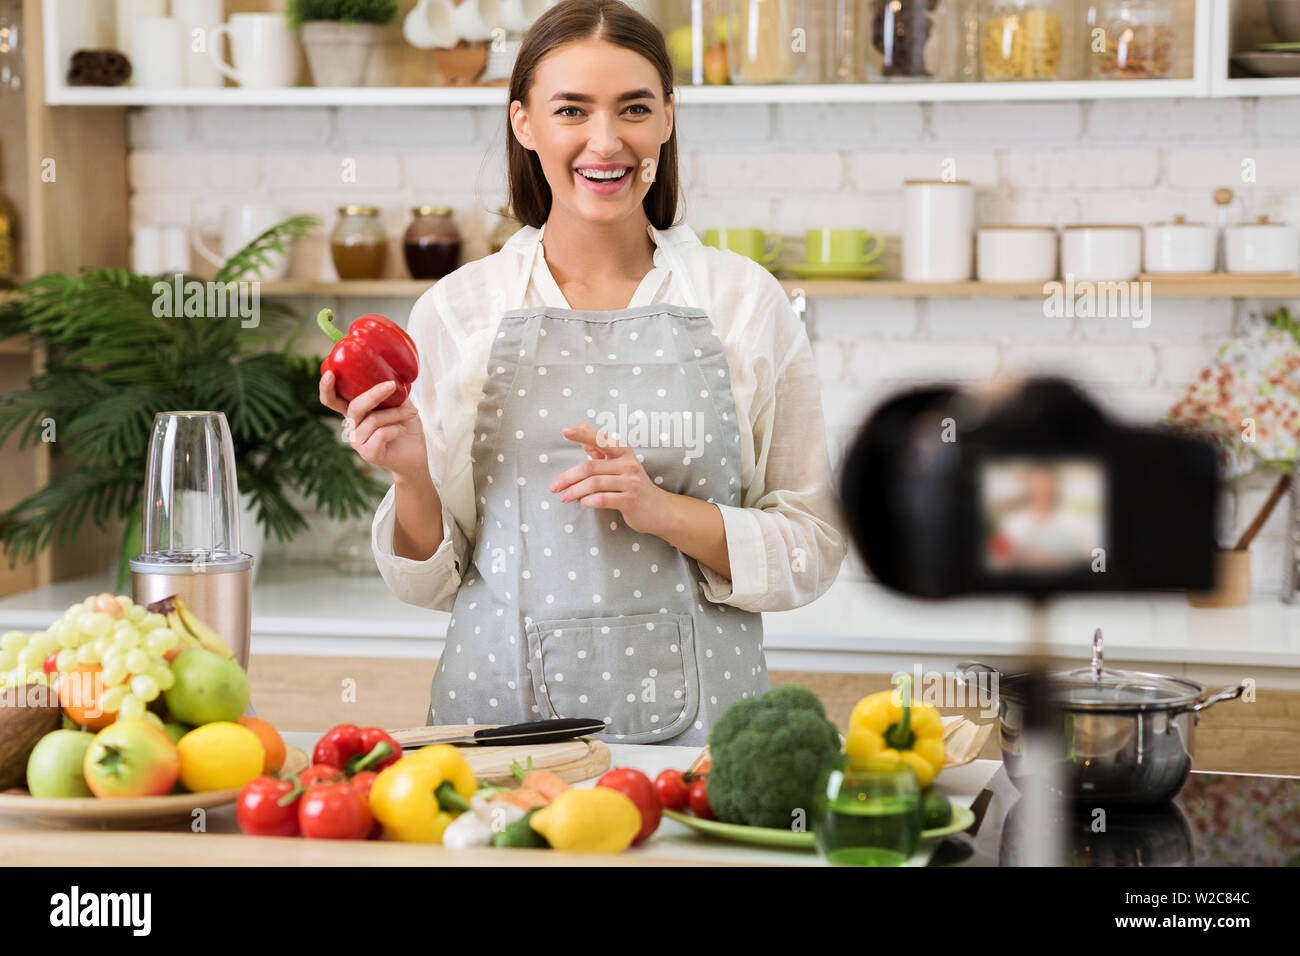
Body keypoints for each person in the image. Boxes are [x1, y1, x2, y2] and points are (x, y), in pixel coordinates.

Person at [319, 0, 847, 746]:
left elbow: (813, 546)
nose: (607, 141)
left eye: (633, 108)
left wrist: (660, 511)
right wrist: (409, 474)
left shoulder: (741, 302)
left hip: (701, 744)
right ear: (524, 124)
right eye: (572, 109)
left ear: (667, 117)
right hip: (496, 734)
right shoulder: (459, 311)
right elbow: (430, 580)